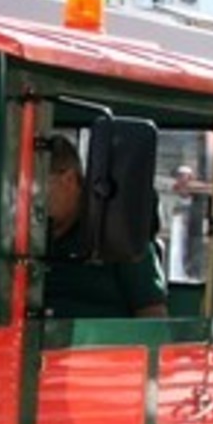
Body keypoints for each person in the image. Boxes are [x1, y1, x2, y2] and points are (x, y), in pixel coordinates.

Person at [38, 134, 166, 319]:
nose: (23, 197)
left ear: (69, 179)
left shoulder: (120, 234)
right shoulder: (16, 237)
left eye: (36, 185)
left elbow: (153, 316)